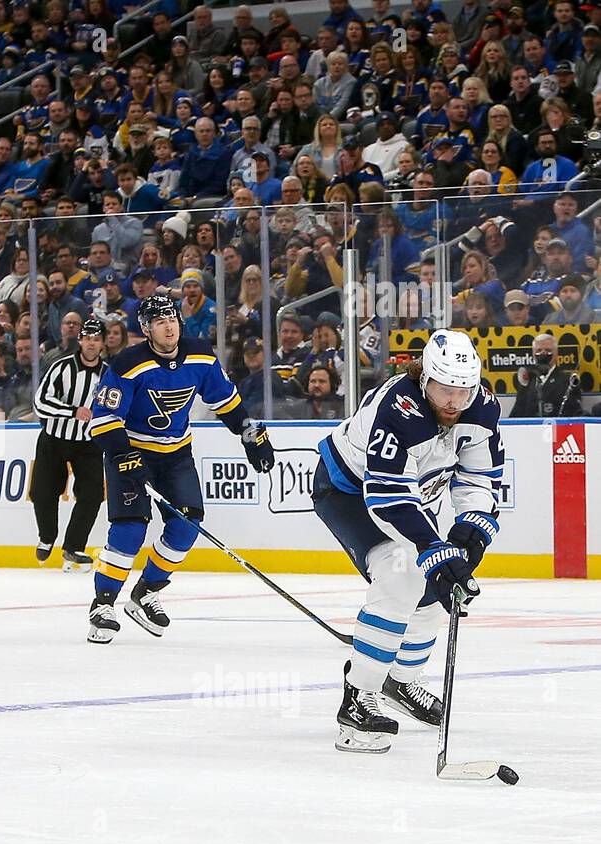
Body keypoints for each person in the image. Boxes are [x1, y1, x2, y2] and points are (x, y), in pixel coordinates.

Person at [312, 330, 503, 754]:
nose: (454, 400)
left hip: (416, 496)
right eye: (444, 388)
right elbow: (387, 497)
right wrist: (433, 549)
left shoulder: (482, 408)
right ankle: (358, 697)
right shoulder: (397, 409)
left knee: (434, 592)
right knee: (400, 576)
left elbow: (479, 478)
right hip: (349, 492)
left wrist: (470, 534)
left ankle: (402, 681)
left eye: (463, 389)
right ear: (425, 379)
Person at [86, 295, 275, 643]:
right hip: (131, 453)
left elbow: (227, 402)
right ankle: (103, 604)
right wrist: (124, 456)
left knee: (187, 526)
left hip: (176, 455)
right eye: (159, 321)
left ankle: (147, 591)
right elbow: (103, 420)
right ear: (146, 329)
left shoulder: (201, 354)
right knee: (129, 528)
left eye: (171, 318)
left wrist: (250, 433)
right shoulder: (128, 363)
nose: (168, 325)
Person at [31, 318, 108, 571]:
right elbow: (40, 402)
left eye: (96, 339)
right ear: (80, 340)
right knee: (44, 491)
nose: (91, 343)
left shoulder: (108, 374)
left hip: (88, 442)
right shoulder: (61, 367)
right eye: (87, 338)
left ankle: (74, 546)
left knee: (93, 494)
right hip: (53, 438)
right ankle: (47, 536)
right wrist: (72, 411)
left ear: (103, 343)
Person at [510, 333, 583, 417]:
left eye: (548, 350)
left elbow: (574, 413)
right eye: (539, 350)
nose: (543, 354)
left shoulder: (568, 381)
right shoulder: (528, 380)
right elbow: (517, 412)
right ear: (533, 354)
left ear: (556, 353)